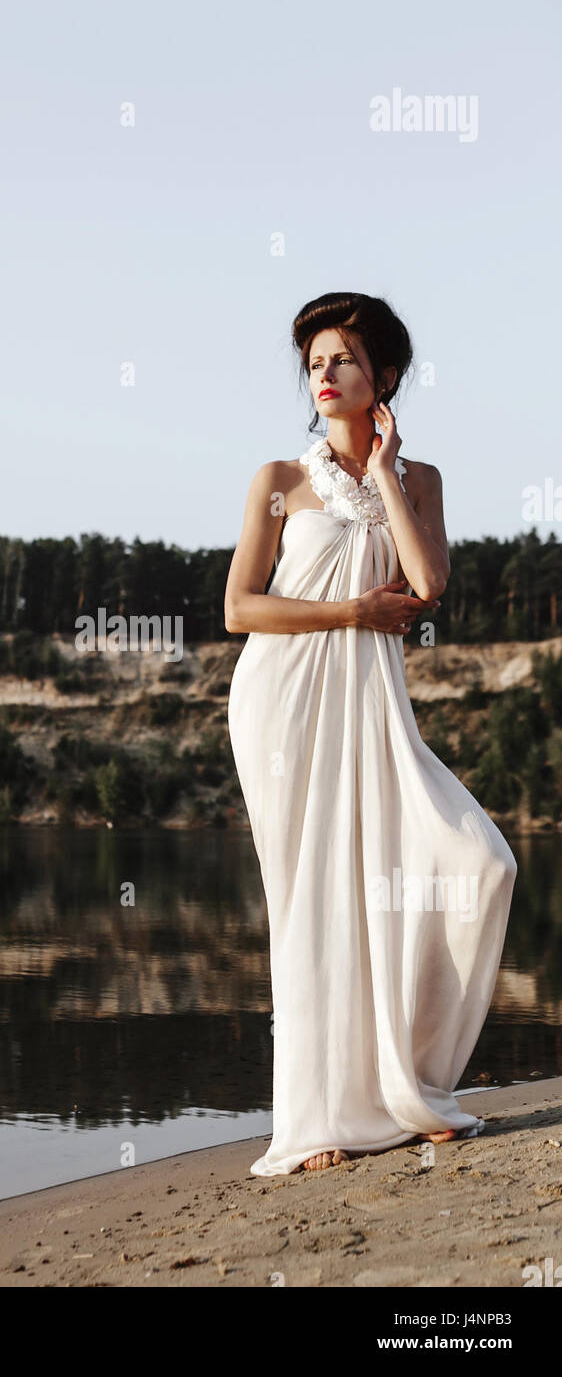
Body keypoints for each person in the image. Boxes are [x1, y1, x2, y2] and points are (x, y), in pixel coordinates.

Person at [224, 291, 517, 1175]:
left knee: (479, 865)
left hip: (374, 705)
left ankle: (407, 1087)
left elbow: (427, 586)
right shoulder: (279, 481)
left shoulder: (417, 480)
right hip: (282, 703)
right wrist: (350, 609)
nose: (323, 375)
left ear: (384, 376)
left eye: (342, 359)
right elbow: (239, 607)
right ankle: (315, 1123)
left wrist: (386, 471)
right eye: (314, 362)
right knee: (314, 900)